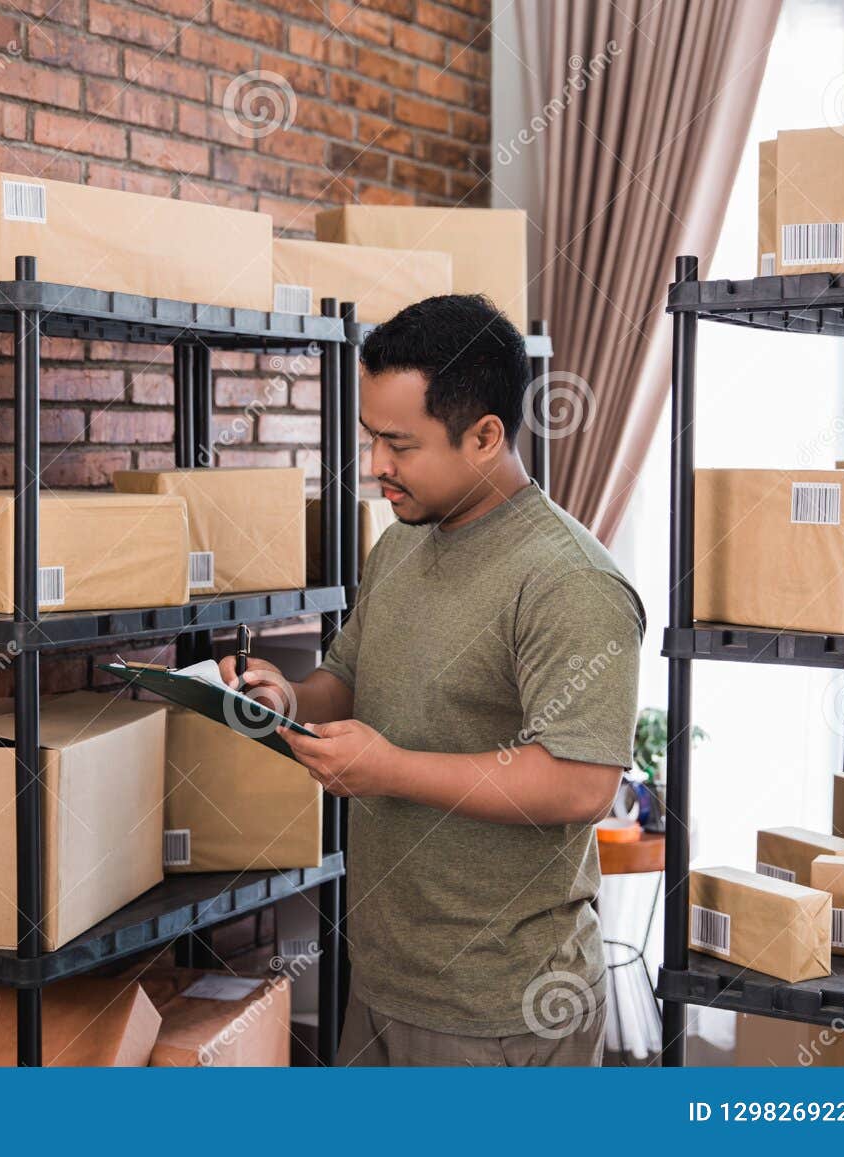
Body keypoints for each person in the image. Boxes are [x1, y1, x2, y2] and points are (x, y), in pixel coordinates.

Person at [218, 294, 644, 1066]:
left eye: (400, 445)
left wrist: (389, 770)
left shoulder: (568, 581)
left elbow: (581, 783)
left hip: (503, 1008)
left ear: (484, 436)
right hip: (382, 980)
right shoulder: (401, 544)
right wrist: (284, 697)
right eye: (370, 437)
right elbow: (348, 677)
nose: (376, 466)